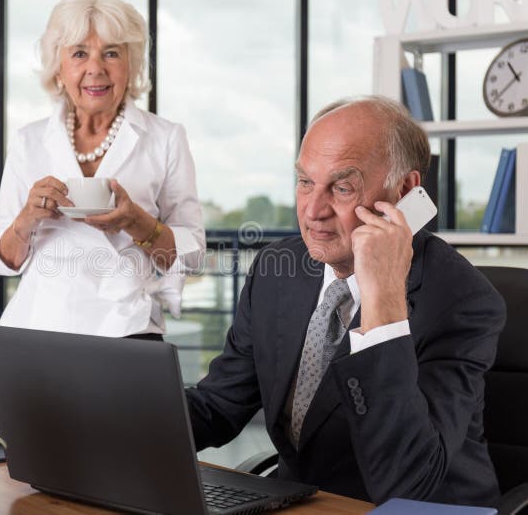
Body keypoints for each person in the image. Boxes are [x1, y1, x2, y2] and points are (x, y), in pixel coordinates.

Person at [185, 96, 504, 506]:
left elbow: (408, 483)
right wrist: (119, 421)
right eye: (305, 182)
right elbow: (220, 405)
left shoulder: (463, 300)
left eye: (341, 187)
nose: (313, 211)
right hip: (305, 503)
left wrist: (384, 301)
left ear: (405, 191)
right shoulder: (275, 271)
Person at [0, 0, 204, 339]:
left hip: (127, 327)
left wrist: (136, 222)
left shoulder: (166, 138)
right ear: (59, 68)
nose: (95, 69)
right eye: (79, 53)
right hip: (39, 326)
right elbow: (6, 261)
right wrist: (27, 218)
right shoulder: (29, 141)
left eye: (111, 53)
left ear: (130, 65)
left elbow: (192, 255)